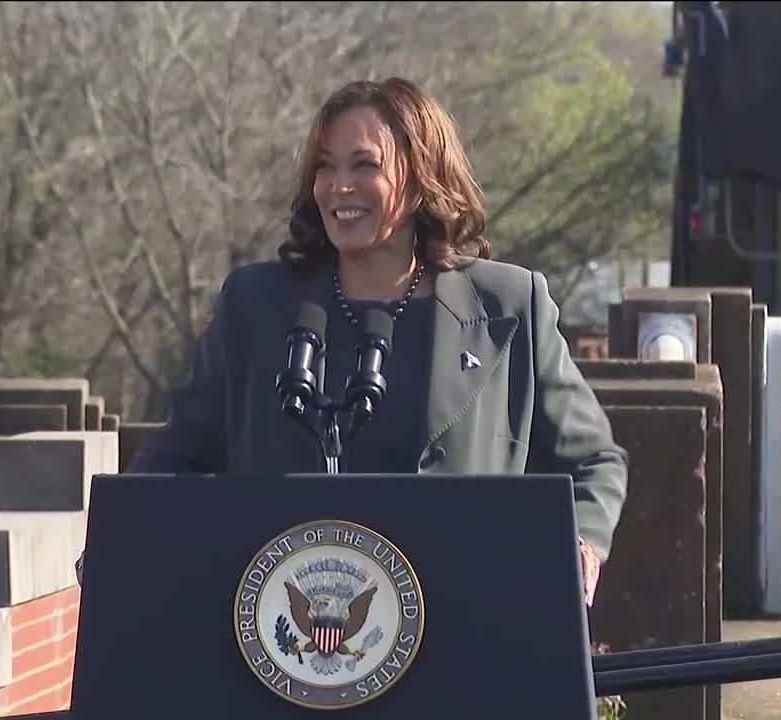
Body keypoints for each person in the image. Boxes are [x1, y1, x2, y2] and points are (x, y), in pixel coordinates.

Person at [78, 77, 628, 606]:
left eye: (364, 164)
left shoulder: (509, 304)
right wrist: (118, 539)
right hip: (291, 636)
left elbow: (594, 459)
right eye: (325, 167)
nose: (339, 185)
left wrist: (581, 544)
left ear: (419, 178)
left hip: (463, 623)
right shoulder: (256, 306)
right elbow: (180, 455)